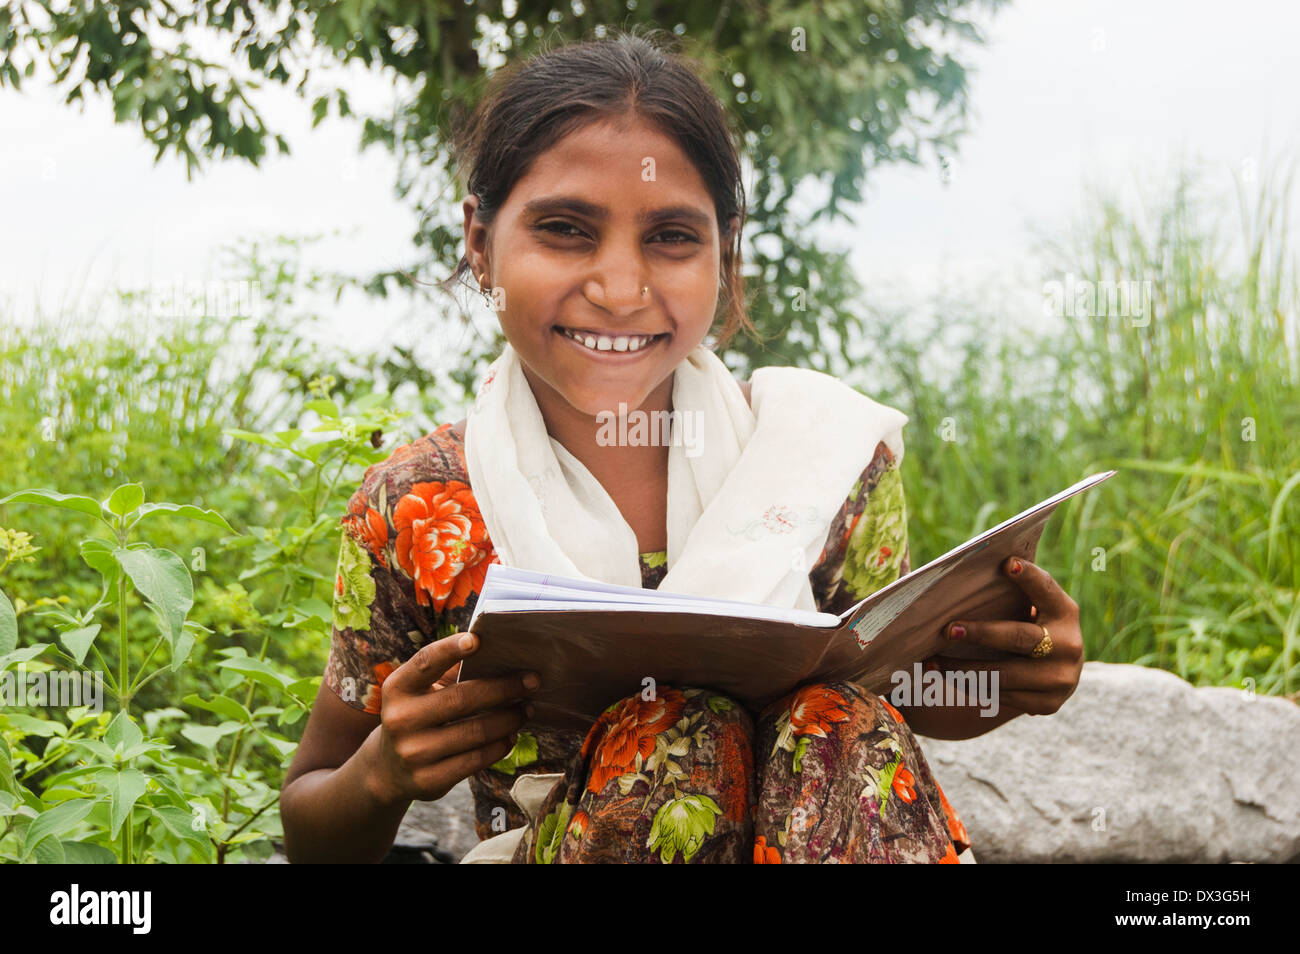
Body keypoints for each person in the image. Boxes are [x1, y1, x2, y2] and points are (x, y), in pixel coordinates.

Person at [279, 28, 1084, 864]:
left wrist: (1006, 682)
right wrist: (382, 772)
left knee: (839, 719)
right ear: (480, 244)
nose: (621, 288)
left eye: (670, 237)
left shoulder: (823, 462)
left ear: (726, 252)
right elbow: (312, 826)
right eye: (564, 229)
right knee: (677, 727)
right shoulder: (420, 506)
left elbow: (896, 702)